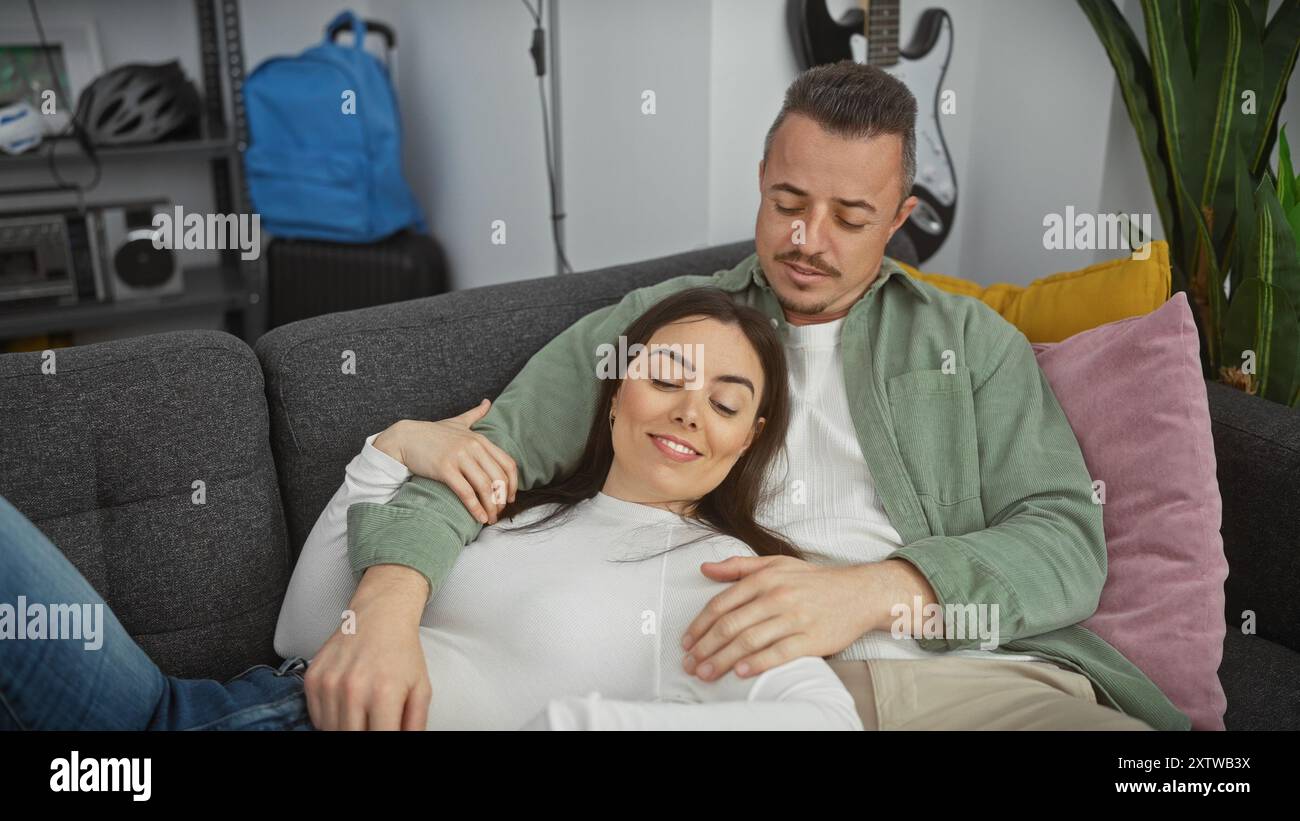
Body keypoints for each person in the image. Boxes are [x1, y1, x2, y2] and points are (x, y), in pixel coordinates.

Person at [319, 60, 1185, 731]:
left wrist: (873, 590)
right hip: (743, 686)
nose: (809, 240)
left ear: (899, 219)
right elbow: (481, 459)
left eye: (851, 218)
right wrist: (383, 616)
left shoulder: (970, 345)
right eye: (788, 202)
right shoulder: (662, 326)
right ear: (761, 178)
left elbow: (1067, 541)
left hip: (966, 679)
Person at [0, 288, 861, 731]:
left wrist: (571, 725)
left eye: (723, 400)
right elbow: (304, 634)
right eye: (667, 376)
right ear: (614, 396)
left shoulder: (719, 577)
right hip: (221, 706)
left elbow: (825, 722)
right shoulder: (506, 504)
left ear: (746, 440)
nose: (686, 409)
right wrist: (390, 451)